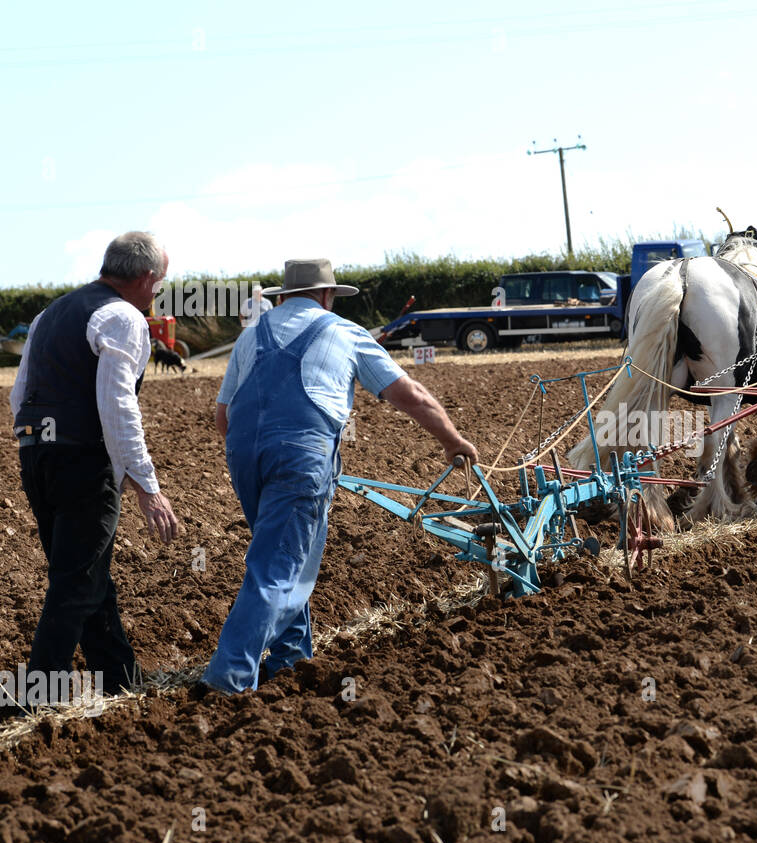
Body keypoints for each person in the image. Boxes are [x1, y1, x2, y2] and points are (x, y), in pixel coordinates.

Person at [201, 259, 478, 695]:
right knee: (276, 566)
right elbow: (411, 395)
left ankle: (292, 661)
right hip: (301, 455)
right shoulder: (345, 332)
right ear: (328, 295)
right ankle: (229, 676)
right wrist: (453, 440)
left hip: (244, 454)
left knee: (287, 553)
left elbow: (222, 416)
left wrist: (256, 450)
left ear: (283, 296)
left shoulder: (251, 335)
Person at [7, 231, 180, 706]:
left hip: (36, 454)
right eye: (160, 282)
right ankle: (34, 698)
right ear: (145, 278)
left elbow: (18, 394)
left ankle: (119, 678)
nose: (158, 291)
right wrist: (147, 484)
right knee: (75, 581)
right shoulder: (123, 317)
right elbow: (117, 405)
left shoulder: (49, 313)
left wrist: (34, 447)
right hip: (83, 460)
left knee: (85, 573)